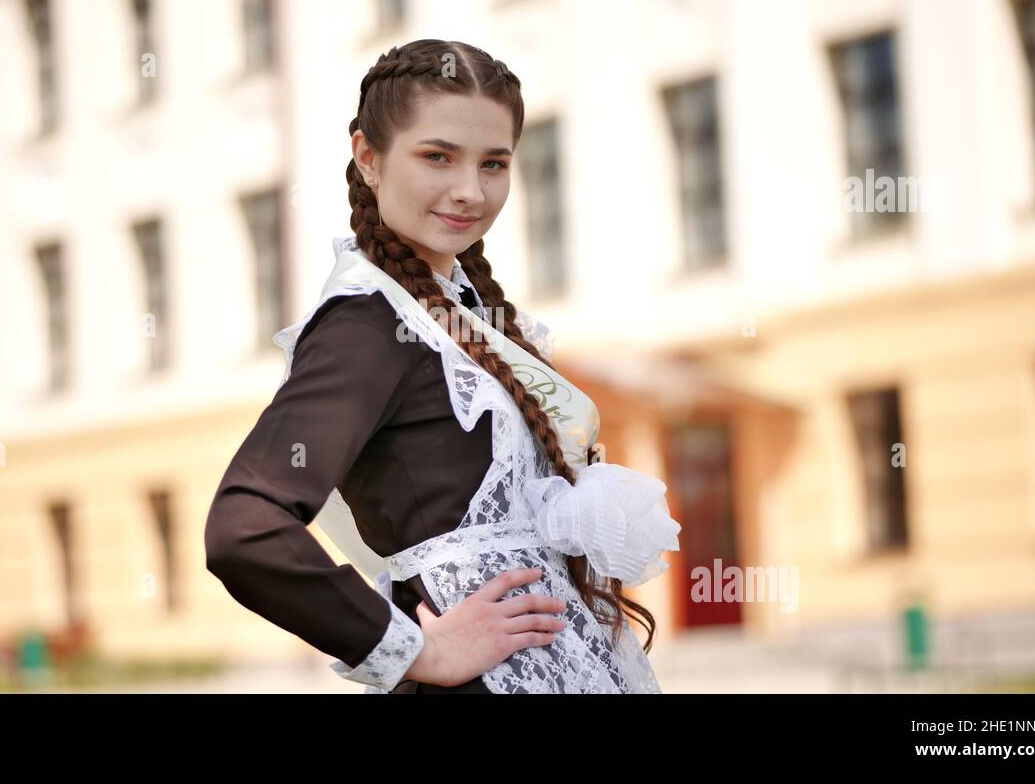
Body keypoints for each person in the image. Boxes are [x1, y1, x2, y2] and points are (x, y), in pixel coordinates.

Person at [205, 40, 681, 693]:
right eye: (437, 156)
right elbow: (244, 527)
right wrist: (406, 647)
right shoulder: (366, 323)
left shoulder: (468, 310)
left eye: (494, 163)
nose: (470, 191)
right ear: (368, 158)